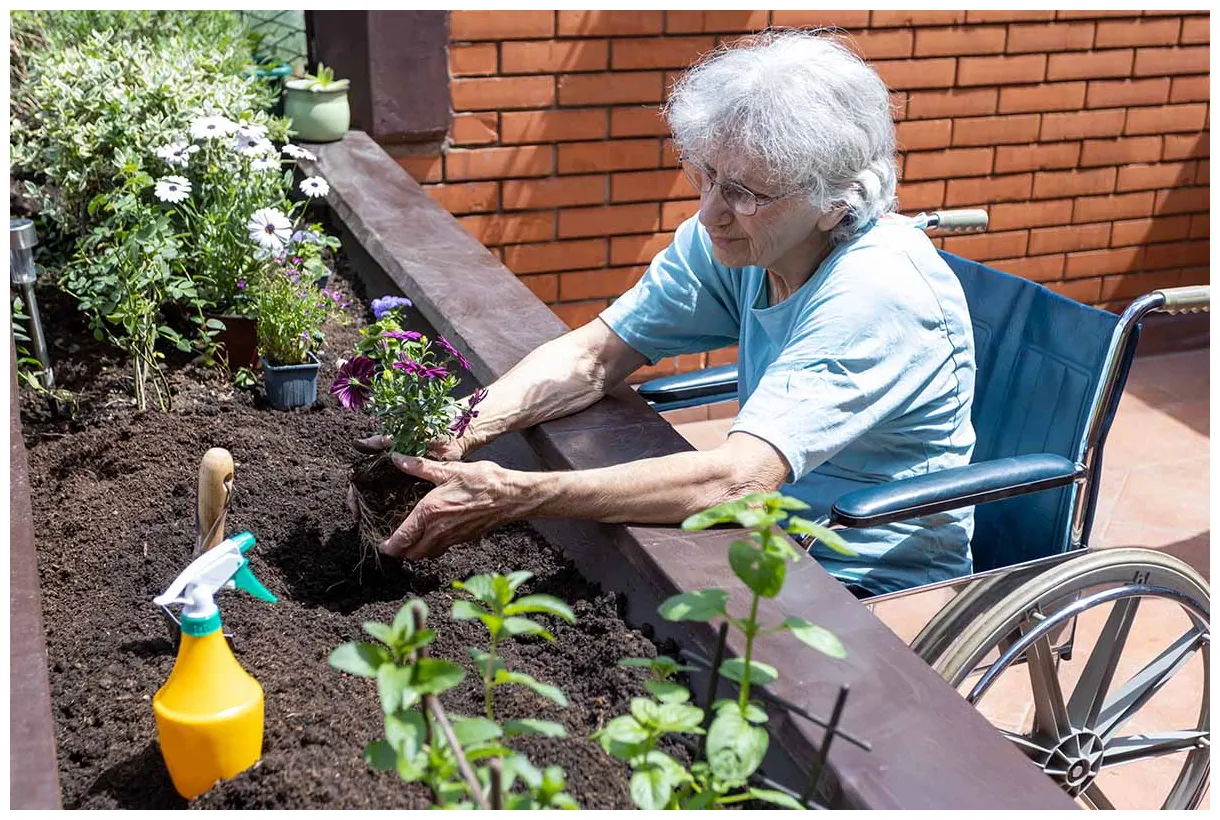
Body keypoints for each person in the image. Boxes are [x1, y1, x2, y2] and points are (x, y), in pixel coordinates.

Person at [365, 30, 976, 597]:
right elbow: (592, 356)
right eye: (707, 176)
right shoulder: (747, 241)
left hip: (868, 581)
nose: (711, 211)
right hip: (765, 547)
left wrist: (517, 494)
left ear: (833, 204)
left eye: (745, 192)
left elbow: (736, 480)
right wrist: (461, 424)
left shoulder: (875, 294)